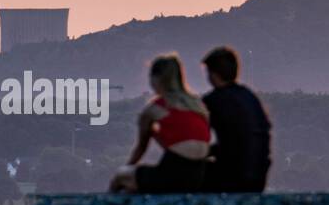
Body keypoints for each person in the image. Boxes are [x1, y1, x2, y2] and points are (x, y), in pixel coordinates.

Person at [109, 54, 210, 194]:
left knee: (121, 176)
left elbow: (140, 149)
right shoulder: (197, 105)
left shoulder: (155, 109)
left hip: (172, 173)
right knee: (133, 189)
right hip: (199, 175)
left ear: (156, 79)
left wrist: (128, 169)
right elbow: (183, 142)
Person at [200, 46, 272, 193]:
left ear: (212, 74)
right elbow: (238, 142)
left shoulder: (213, 100)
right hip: (258, 179)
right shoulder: (250, 97)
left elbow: (196, 138)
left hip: (231, 178)